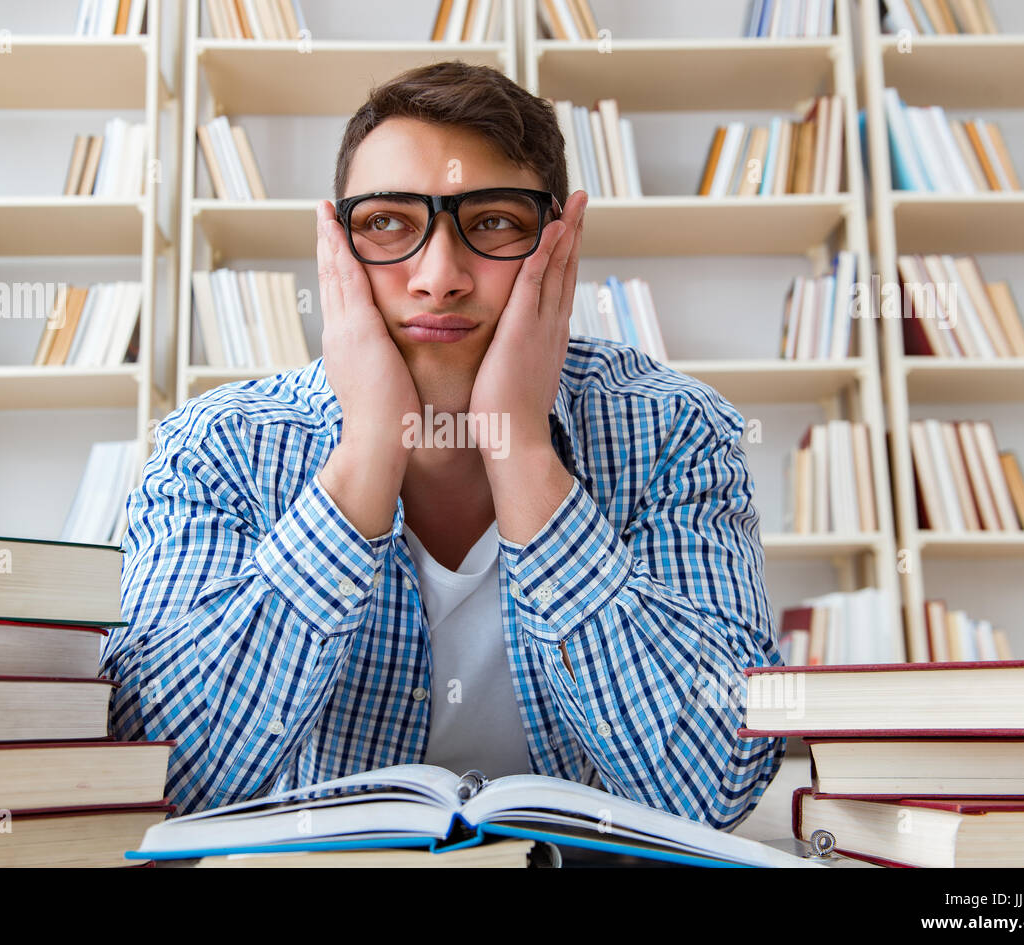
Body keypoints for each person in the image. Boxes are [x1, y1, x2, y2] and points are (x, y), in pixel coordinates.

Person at [103, 60, 785, 830]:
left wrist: (523, 449)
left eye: (493, 221)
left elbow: (714, 780)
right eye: (388, 222)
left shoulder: (673, 433)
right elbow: (152, 773)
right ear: (338, 246)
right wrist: (364, 453)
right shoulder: (217, 445)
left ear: (559, 243)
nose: (439, 277)